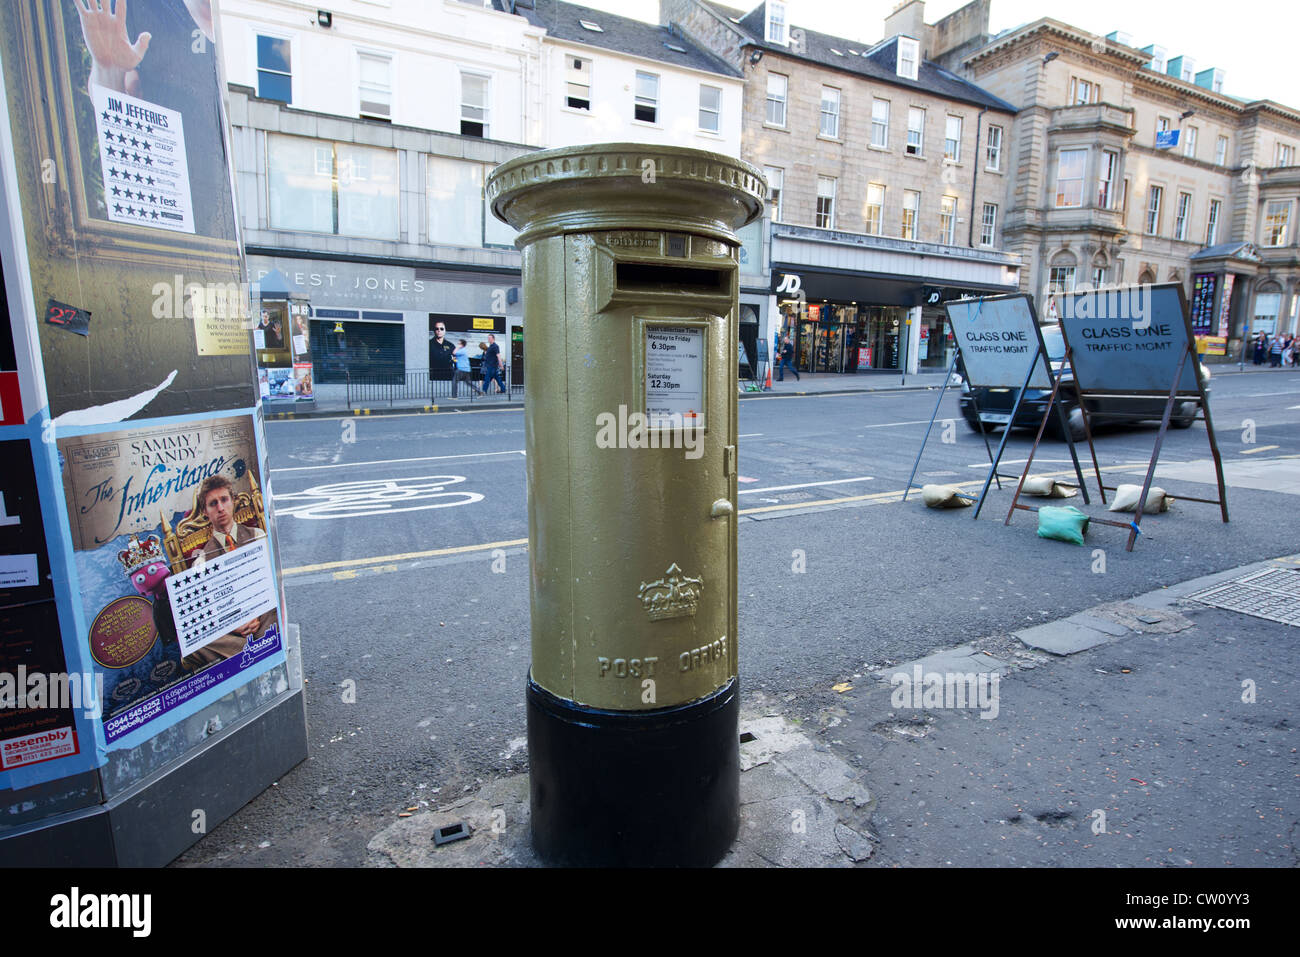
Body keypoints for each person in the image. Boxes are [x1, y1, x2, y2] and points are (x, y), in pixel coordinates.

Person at [182, 474, 274, 671]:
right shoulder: (202, 560)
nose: (220, 508)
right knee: (192, 645)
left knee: (278, 603)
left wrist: (255, 613)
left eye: (224, 500)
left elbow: (269, 583)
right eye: (213, 504)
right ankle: (255, 652)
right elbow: (208, 610)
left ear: (233, 502)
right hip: (231, 632)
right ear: (206, 512)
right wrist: (231, 624)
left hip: (263, 613)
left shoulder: (257, 537)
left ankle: (253, 653)